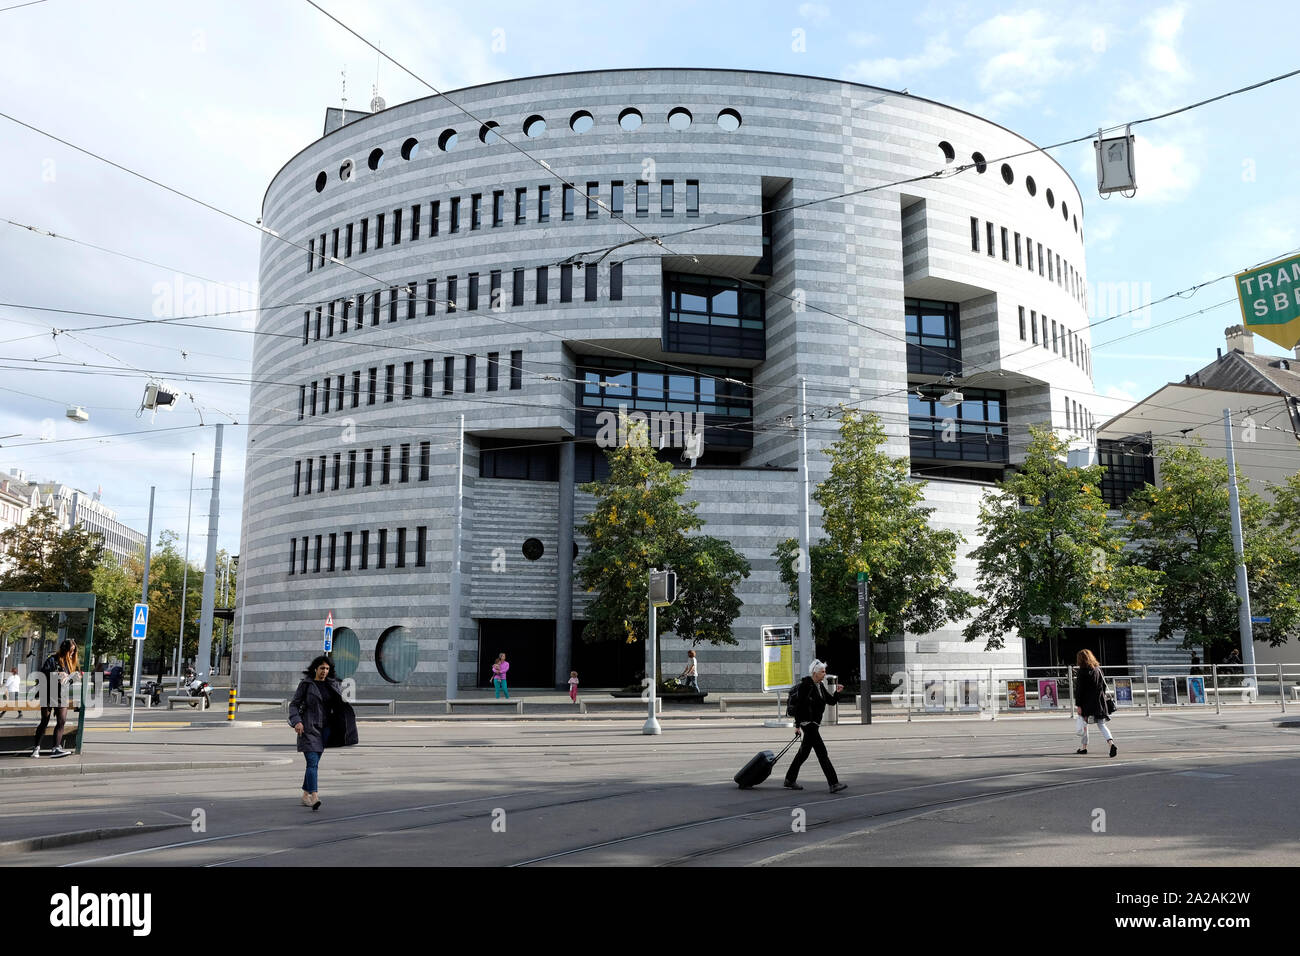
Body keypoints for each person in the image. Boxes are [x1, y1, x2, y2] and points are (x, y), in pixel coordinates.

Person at [288, 655, 358, 810]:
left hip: (325, 730)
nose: (324, 671)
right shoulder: (306, 684)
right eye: (322, 668)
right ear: (315, 669)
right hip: (308, 728)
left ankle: (305, 796)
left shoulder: (332, 685)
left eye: (327, 668)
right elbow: (294, 705)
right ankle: (315, 797)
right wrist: (297, 721)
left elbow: (340, 705)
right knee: (312, 762)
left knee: (313, 764)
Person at [784, 660, 848, 793]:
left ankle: (789, 779)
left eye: (824, 671)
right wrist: (797, 725)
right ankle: (833, 783)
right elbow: (800, 706)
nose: (824, 674)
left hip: (814, 724)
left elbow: (830, 701)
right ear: (815, 673)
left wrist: (837, 692)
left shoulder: (819, 685)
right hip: (808, 724)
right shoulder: (806, 685)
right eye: (822, 672)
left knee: (803, 753)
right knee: (822, 753)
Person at [32, 639, 78, 758]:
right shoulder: (52, 659)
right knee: (44, 721)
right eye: (71, 651)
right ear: (65, 649)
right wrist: (57, 675)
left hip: (62, 694)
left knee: (61, 721)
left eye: (74, 651)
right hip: (48, 693)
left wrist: (71, 678)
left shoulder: (70, 662)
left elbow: (71, 679)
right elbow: (43, 673)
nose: (72, 653)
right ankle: (36, 748)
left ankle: (56, 748)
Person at [1074, 649, 1116, 758]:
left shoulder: (1082, 672)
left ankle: (1084, 748)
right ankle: (1111, 743)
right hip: (1099, 702)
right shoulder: (1098, 669)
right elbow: (1103, 686)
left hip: (1086, 703)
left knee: (1084, 725)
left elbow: (1079, 690)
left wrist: (1078, 705)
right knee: (1102, 724)